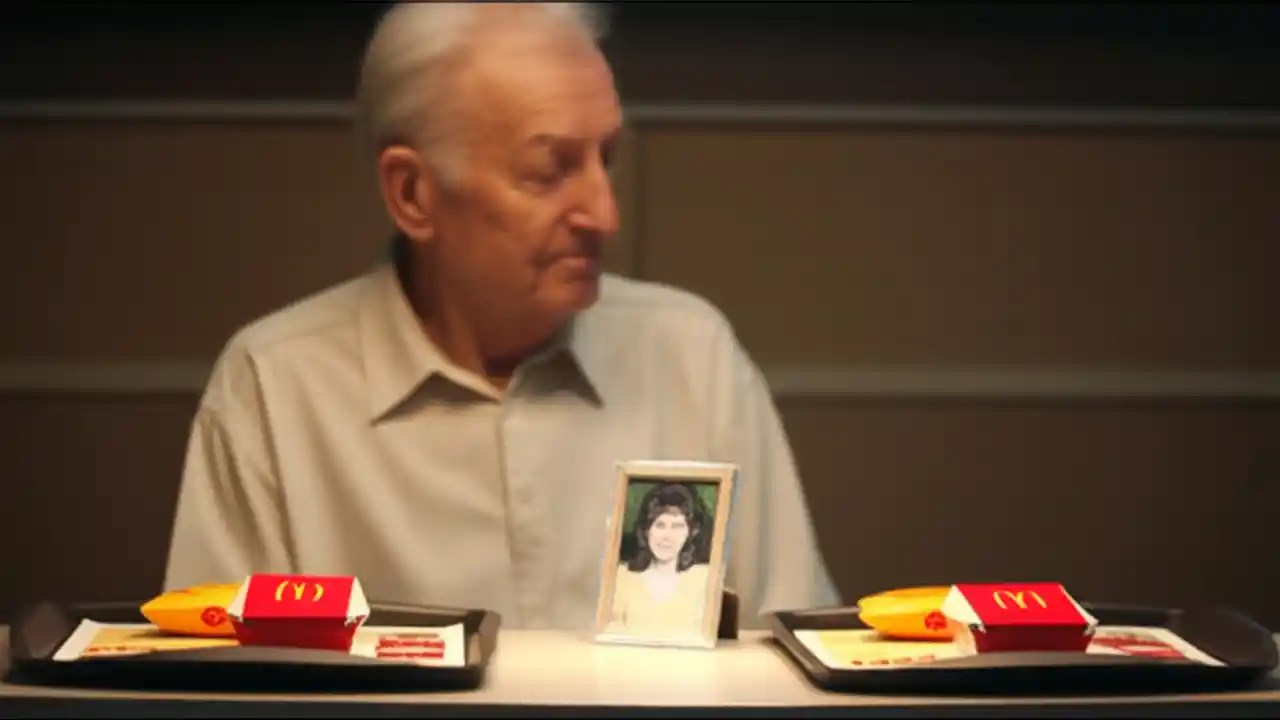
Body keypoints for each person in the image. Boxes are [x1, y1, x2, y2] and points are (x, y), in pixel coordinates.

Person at [162, 2, 839, 630]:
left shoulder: (690, 355)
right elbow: (219, 680)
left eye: (605, 159)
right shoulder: (276, 389)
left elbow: (793, 658)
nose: (606, 215)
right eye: (549, 170)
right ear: (413, 193)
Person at [607, 484, 713, 639]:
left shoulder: (704, 578)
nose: (667, 536)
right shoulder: (622, 577)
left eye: (677, 526)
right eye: (660, 525)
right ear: (646, 530)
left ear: (690, 533)